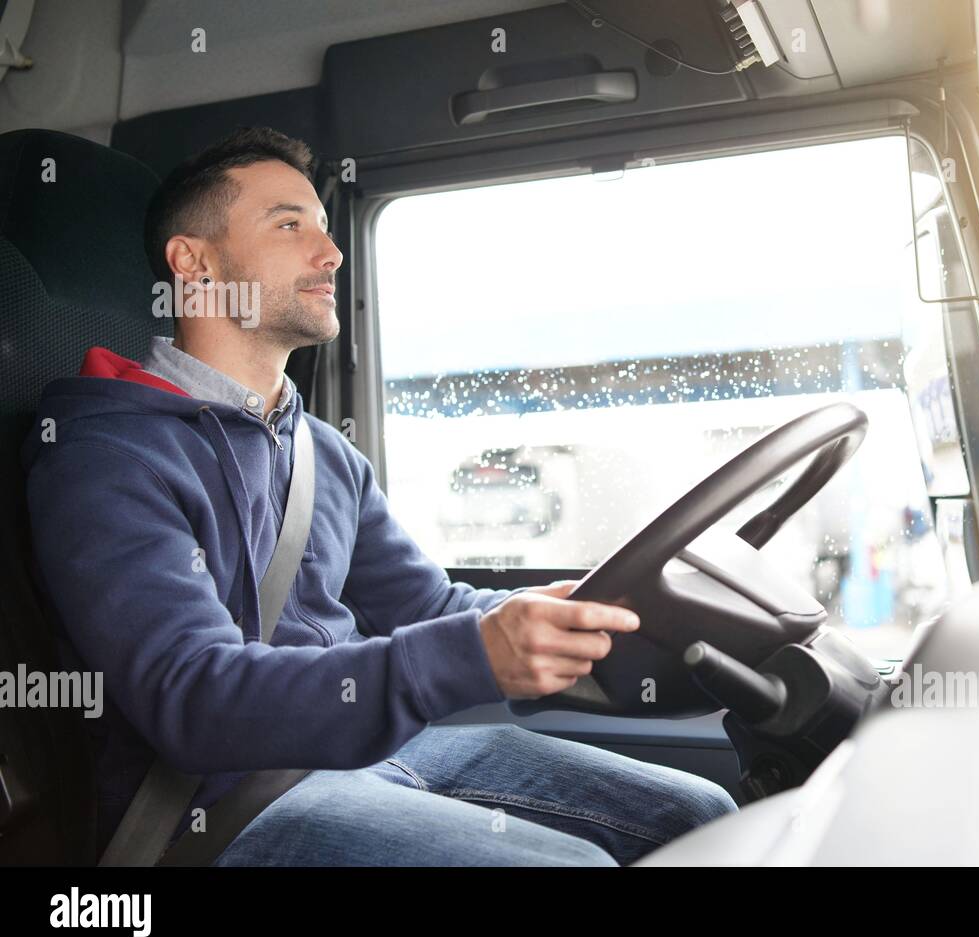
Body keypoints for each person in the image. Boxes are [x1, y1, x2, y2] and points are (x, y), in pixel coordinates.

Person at [21, 127, 736, 866]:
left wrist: (578, 608)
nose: (330, 253)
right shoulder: (105, 455)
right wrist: (462, 657)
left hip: (373, 752)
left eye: (327, 229)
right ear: (194, 263)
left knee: (701, 814)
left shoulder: (323, 452)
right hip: (219, 807)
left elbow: (431, 608)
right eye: (290, 224)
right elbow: (194, 699)